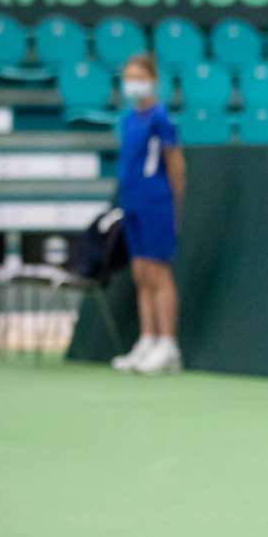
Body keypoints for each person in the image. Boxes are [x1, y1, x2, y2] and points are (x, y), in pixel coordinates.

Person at [110, 55, 186, 375]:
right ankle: (148, 339)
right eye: (128, 77)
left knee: (158, 273)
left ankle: (168, 345)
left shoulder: (161, 118)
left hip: (157, 202)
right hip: (132, 202)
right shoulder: (128, 118)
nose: (133, 83)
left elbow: (175, 164)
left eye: (139, 76)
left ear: (153, 80)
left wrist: (175, 206)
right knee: (140, 272)